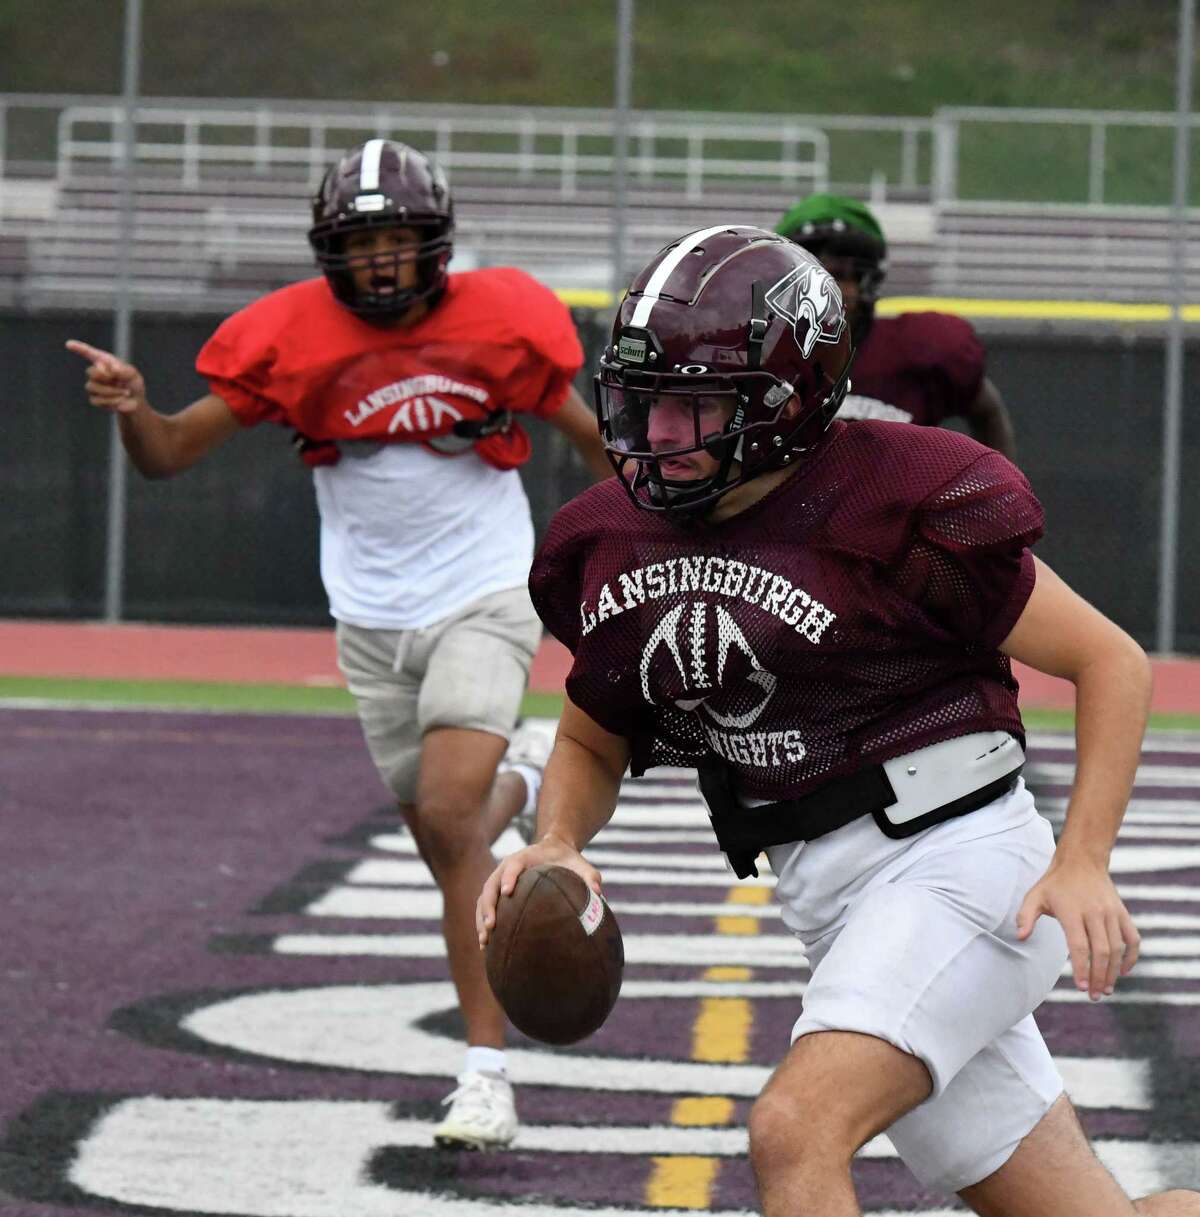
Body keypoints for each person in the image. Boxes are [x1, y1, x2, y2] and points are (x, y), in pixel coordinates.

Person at [477, 226, 1200, 1215]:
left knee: (796, 1125)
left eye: (693, 407)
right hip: (830, 893)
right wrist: (558, 839)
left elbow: (1109, 659)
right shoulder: (611, 539)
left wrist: (1084, 855)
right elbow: (591, 733)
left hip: (963, 858)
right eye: (645, 404)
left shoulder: (894, 498)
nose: (660, 435)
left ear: (784, 401)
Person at [67, 138, 611, 1152]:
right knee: (452, 840)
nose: (382, 263)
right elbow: (172, 454)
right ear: (332, 253)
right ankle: (520, 787)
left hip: (484, 590)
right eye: (362, 245)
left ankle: (485, 1071)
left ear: (434, 244)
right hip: (367, 617)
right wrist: (136, 411)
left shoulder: (498, 322)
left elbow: (585, 436)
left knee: (450, 817)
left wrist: (644, 524)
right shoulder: (292, 338)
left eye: (399, 240)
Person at [775, 193, 1017, 458]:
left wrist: (999, 490)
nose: (827, 290)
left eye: (841, 275)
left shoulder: (917, 349)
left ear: (867, 282)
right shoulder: (764, 353)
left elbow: (987, 411)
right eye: (813, 275)